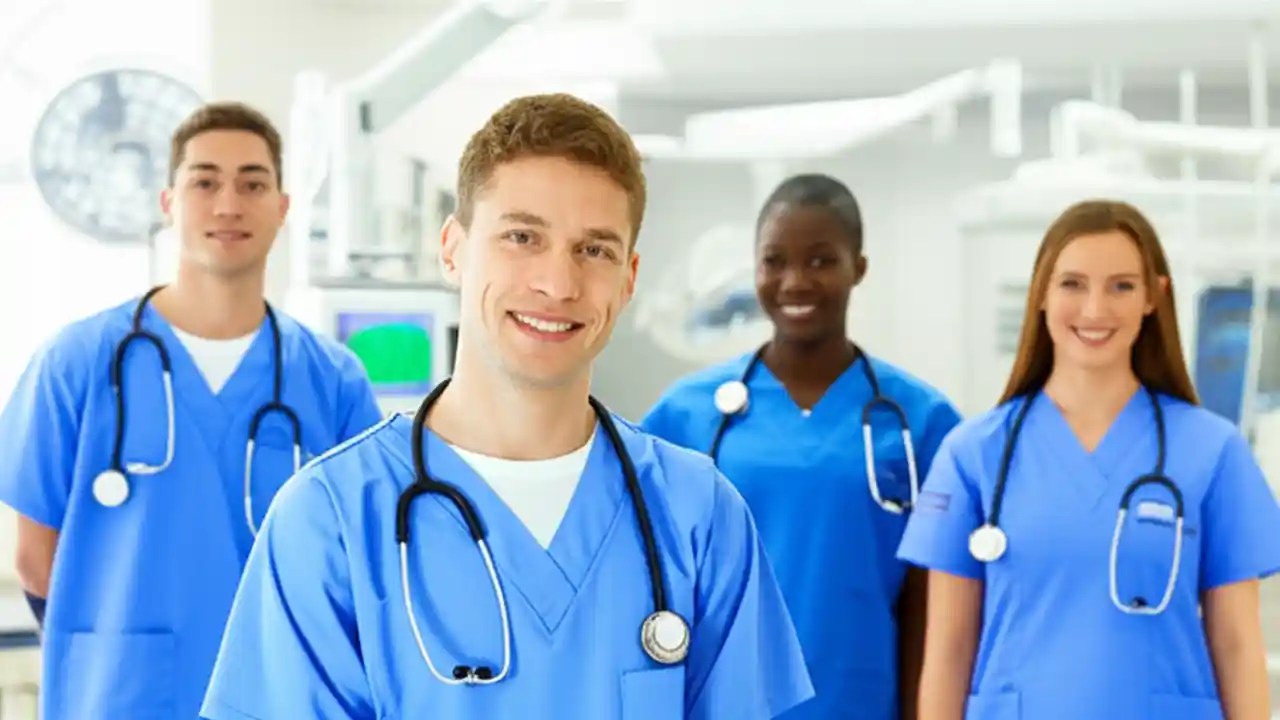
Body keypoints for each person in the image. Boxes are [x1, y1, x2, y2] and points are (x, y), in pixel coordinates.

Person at [198, 93, 814, 720]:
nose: (558, 284)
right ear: (453, 249)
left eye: (594, 249)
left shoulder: (697, 515)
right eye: (523, 237)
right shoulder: (330, 520)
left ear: (628, 278)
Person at [0, 101, 384, 719]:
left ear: (282, 208)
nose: (228, 203)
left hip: (279, 697)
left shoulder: (332, 380)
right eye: (204, 181)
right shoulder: (76, 363)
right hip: (119, 698)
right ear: (168, 202)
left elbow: (358, 569)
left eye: (253, 183)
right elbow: (34, 559)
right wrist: (114, 645)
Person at [897, 199, 1280, 719]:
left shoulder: (1212, 453)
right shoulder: (975, 455)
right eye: (1072, 284)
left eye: (1121, 285)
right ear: (1041, 295)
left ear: (1154, 297)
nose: (1095, 310)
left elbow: (1237, 645)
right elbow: (948, 651)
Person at [641, 173, 963, 719]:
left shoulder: (921, 422)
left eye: (820, 260)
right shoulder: (687, 414)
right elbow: (643, 575)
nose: (795, 281)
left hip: (861, 701)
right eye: (774, 261)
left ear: (858, 268)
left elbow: (935, 605)